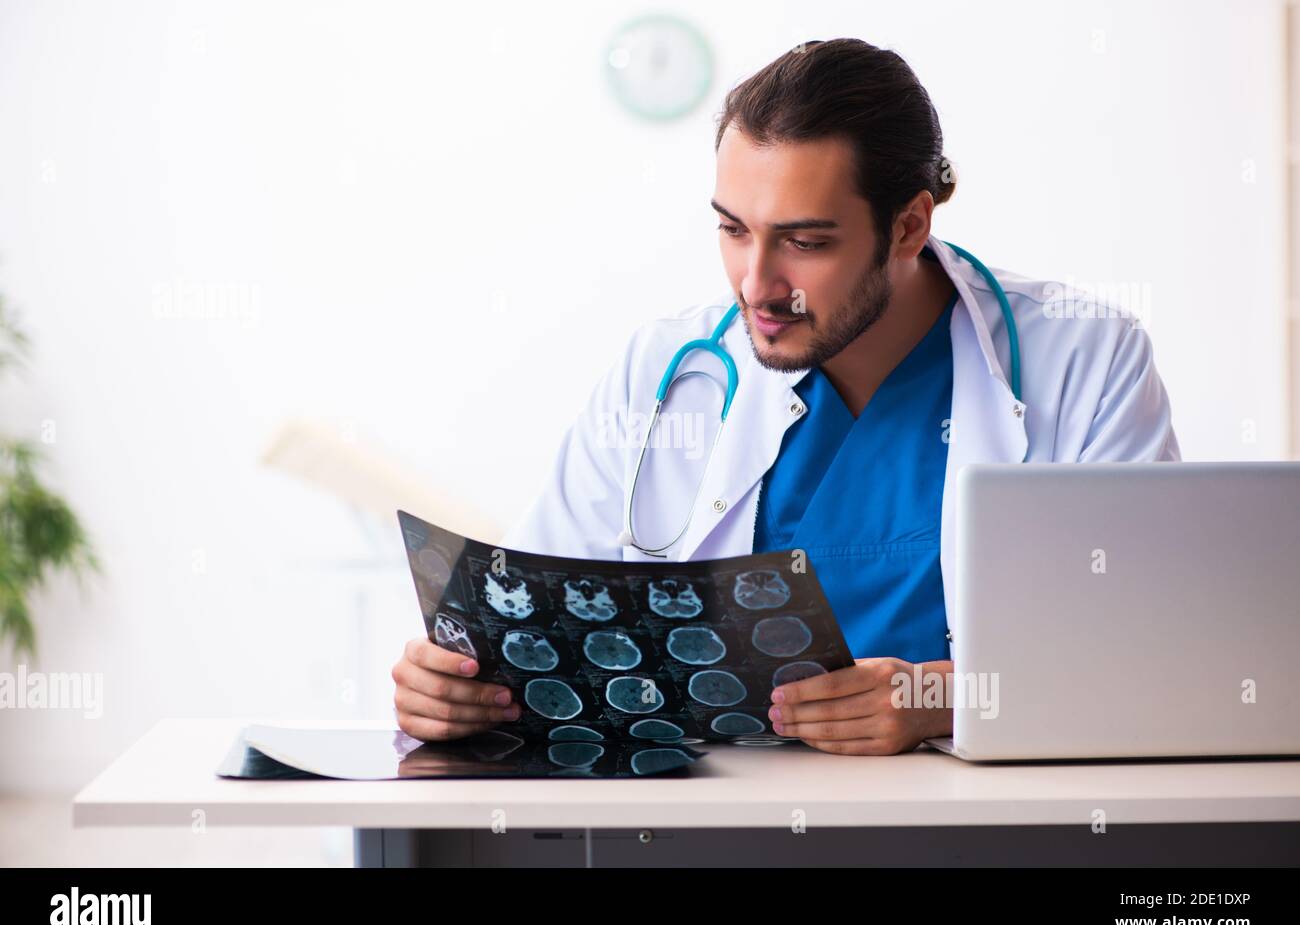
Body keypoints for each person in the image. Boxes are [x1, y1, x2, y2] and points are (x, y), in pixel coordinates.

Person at [392, 38, 1179, 754]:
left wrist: (940, 694)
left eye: (804, 242)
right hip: (716, 826)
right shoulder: (664, 374)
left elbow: (1153, 650)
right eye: (733, 229)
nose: (756, 285)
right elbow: (540, 621)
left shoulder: (1083, 358)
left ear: (909, 227)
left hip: (985, 819)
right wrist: (458, 687)